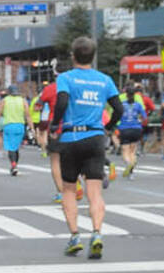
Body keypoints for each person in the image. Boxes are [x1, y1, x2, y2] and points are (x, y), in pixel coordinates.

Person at [53, 37, 123, 259]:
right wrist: (108, 127)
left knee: (69, 190)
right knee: (95, 192)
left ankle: (74, 236)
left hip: (72, 136)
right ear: (93, 56)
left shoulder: (65, 78)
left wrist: (55, 123)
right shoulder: (104, 80)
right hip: (95, 137)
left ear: (73, 56)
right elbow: (118, 108)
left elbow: (62, 102)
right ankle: (97, 233)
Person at [114, 81, 147, 178]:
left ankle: (128, 164)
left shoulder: (121, 104)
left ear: (126, 93)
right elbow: (144, 117)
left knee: (125, 151)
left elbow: (116, 116)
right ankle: (131, 172)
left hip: (124, 128)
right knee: (133, 151)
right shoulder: (138, 105)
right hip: (136, 129)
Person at [0, 85, 31, 174]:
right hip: (20, 125)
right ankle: (15, 164)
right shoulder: (23, 101)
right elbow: (28, 115)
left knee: (10, 147)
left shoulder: (4, 101)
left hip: (8, 125)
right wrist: (32, 128)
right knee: (16, 147)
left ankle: (13, 164)